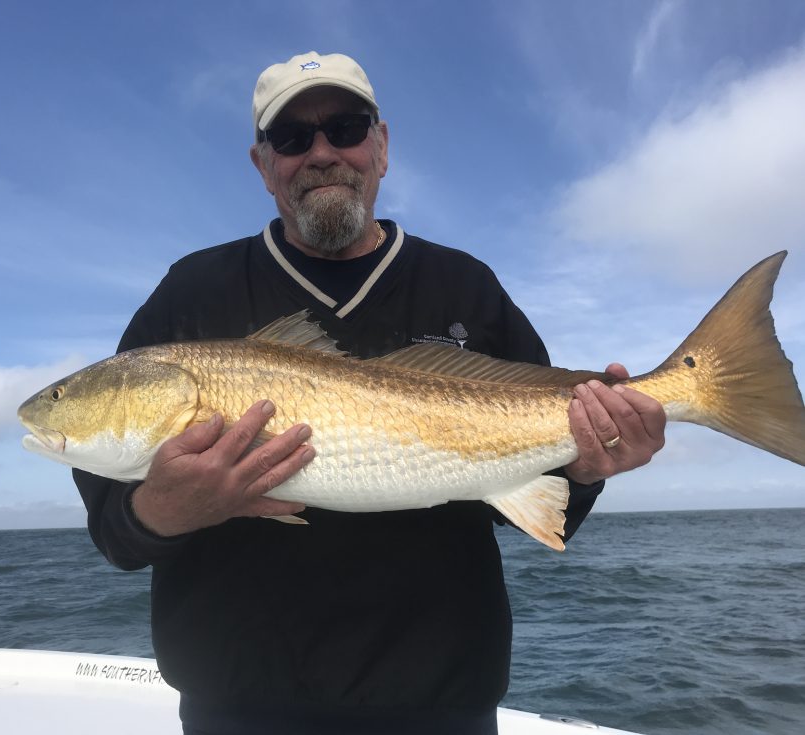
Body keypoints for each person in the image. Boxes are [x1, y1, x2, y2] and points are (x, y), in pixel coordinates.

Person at [73, 51, 666, 735]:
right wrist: (163, 509)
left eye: (347, 128)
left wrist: (589, 465)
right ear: (262, 165)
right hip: (238, 707)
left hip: (442, 703)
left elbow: (548, 491)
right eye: (292, 138)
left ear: (381, 147)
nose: (322, 153)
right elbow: (114, 529)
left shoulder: (466, 286)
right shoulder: (191, 295)